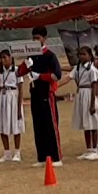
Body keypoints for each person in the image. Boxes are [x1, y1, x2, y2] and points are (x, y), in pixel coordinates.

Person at [18, 26, 63, 167]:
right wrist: (25, 64)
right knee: (38, 126)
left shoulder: (50, 55)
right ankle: (42, 157)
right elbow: (19, 72)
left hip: (47, 93)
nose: (36, 40)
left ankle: (56, 158)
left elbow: (57, 75)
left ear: (44, 39)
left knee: (50, 126)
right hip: (35, 94)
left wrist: (41, 76)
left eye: (38, 38)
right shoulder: (31, 55)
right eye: (34, 38)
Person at [0, 49, 25, 162]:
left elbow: (21, 89)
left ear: (11, 58)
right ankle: (7, 153)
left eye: (5, 57)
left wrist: (20, 106)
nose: (3, 60)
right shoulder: (1, 73)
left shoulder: (17, 71)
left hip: (13, 97)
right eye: (1, 58)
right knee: (2, 125)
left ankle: (17, 152)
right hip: (3, 98)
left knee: (16, 126)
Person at [70, 47, 98, 160]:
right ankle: (89, 149)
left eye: (84, 54)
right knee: (86, 124)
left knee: (92, 123)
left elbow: (95, 86)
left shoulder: (92, 69)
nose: (81, 56)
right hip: (81, 94)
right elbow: (69, 77)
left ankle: (95, 149)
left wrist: (93, 103)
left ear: (89, 55)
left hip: (89, 94)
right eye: (79, 54)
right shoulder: (77, 68)